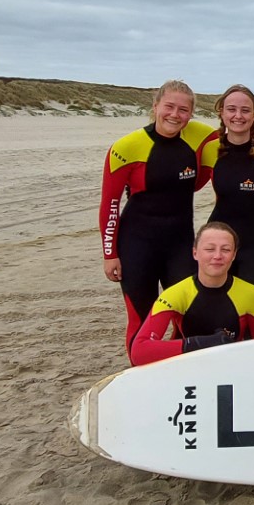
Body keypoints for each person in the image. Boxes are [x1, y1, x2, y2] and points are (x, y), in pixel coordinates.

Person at [102, 80, 216, 349]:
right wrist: (110, 254)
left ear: (191, 113)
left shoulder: (200, 136)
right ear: (155, 107)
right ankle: (140, 366)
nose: (175, 115)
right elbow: (110, 204)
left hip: (179, 244)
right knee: (141, 318)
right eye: (169, 107)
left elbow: (235, 131)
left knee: (187, 314)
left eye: (183, 110)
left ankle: (177, 361)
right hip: (136, 245)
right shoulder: (127, 147)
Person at [129, 223, 254, 366]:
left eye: (226, 250)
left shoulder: (252, 294)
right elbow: (138, 352)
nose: (217, 256)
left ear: (234, 255)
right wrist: (205, 343)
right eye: (210, 249)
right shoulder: (175, 294)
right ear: (195, 253)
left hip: (232, 366)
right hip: (189, 367)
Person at [199, 84, 254, 291]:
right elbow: (189, 185)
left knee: (253, 305)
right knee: (217, 304)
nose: (238, 116)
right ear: (221, 112)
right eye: (231, 109)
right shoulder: (209, 149)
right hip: (218, 242)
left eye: (245, 110)